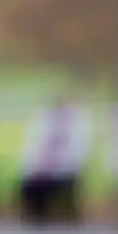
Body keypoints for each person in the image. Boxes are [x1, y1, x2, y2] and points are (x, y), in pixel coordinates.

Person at [16, 93, 91, 225]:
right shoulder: (45, 124)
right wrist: (37, 167)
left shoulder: (77, 126)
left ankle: (46, 215)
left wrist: (54, 167)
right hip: (42, 169)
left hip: (64, 170)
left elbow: (76, 154)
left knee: (46, 184)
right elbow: (33, 149)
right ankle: (37, 215)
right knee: (29, 184)